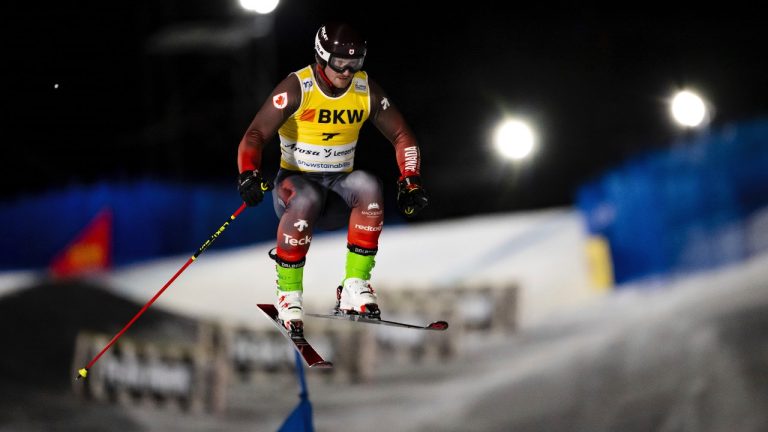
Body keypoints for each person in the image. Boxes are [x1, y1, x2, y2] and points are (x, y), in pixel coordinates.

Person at [236, 22, 428, 335]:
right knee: (307, 196)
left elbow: (402, 135)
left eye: (355, 64)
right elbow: (255, 134)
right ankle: (289, 294)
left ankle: (354, 286)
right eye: (340, 63)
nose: (346, 72)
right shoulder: (298, 87)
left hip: (338, 190)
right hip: (295, 185)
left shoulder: (364, 89)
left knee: (369, 186)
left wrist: (411, 179)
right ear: (322, 56)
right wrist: (248, 173)